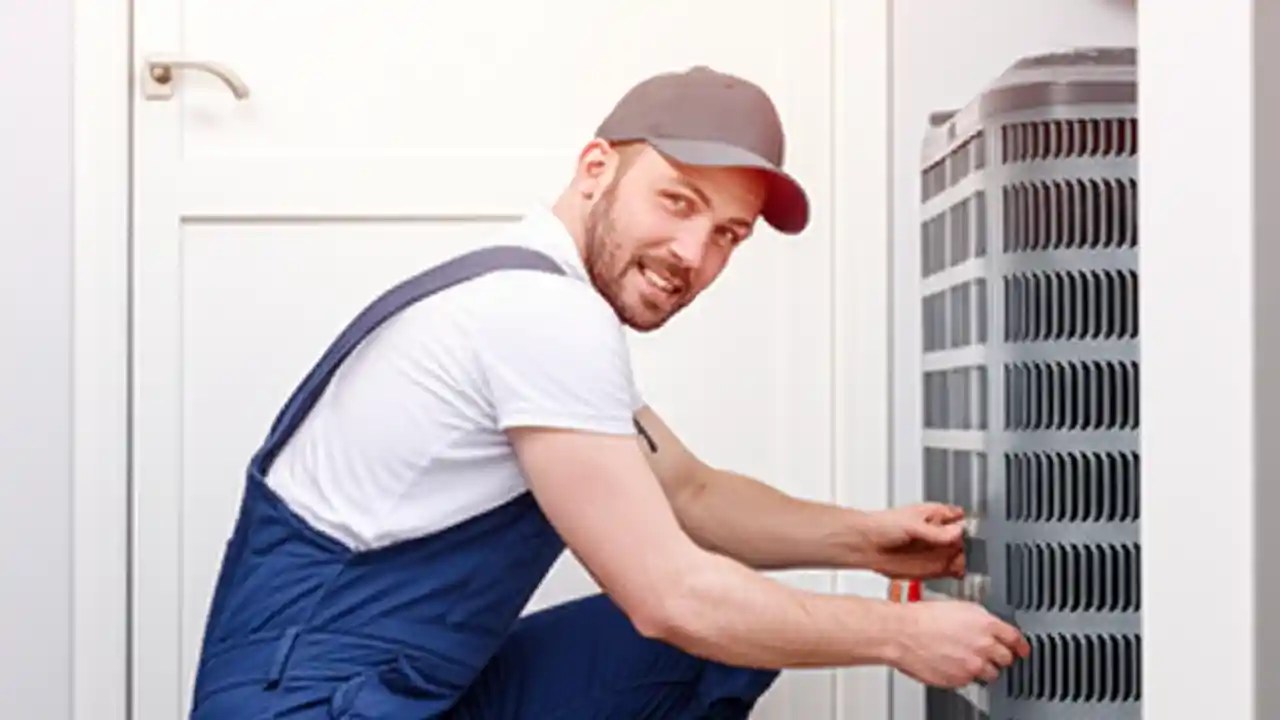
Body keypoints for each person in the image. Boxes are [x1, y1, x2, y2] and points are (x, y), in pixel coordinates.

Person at [189, 65, 1029, 719]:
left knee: (728, 632)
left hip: (398, 690)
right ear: (596, 168)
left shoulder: (535, 301)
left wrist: (865, 541)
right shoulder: (540, 315)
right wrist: (899, 636)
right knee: (708, 619)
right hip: (311, 706)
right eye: (677, 201)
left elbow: (689, 495)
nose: (692, 253)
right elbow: (671, 596)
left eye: (726, 234)